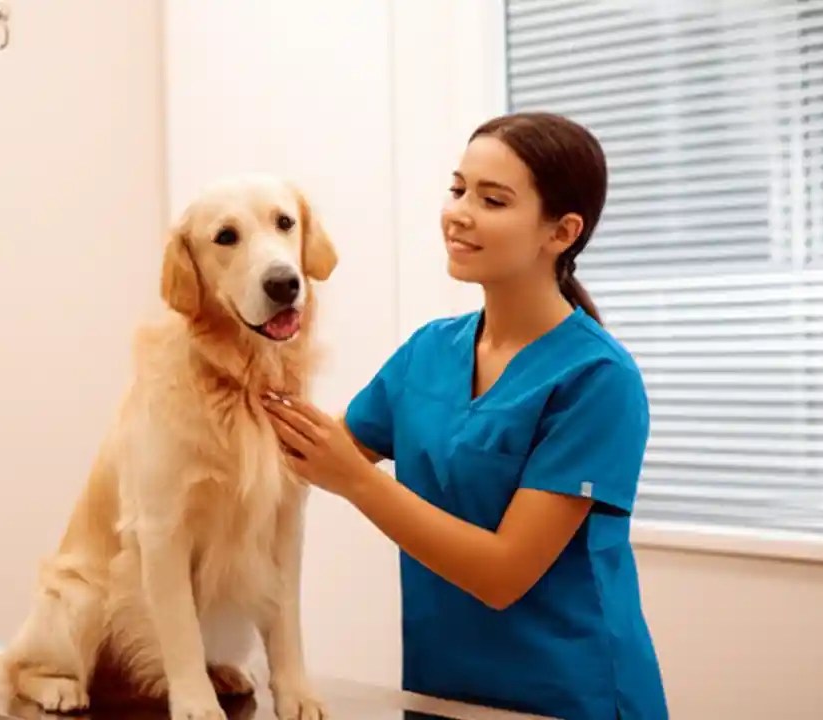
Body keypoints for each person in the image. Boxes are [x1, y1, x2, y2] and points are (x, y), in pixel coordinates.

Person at [262, 112, 669, 720]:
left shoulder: (597, 380)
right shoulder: (430, 351)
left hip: (572, 694)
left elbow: (503, 574)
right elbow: (302, 455)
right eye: (458, 190)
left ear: (561, 232)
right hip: (442, 690)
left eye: (493, 199)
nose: (460, 212)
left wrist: (354, 479)